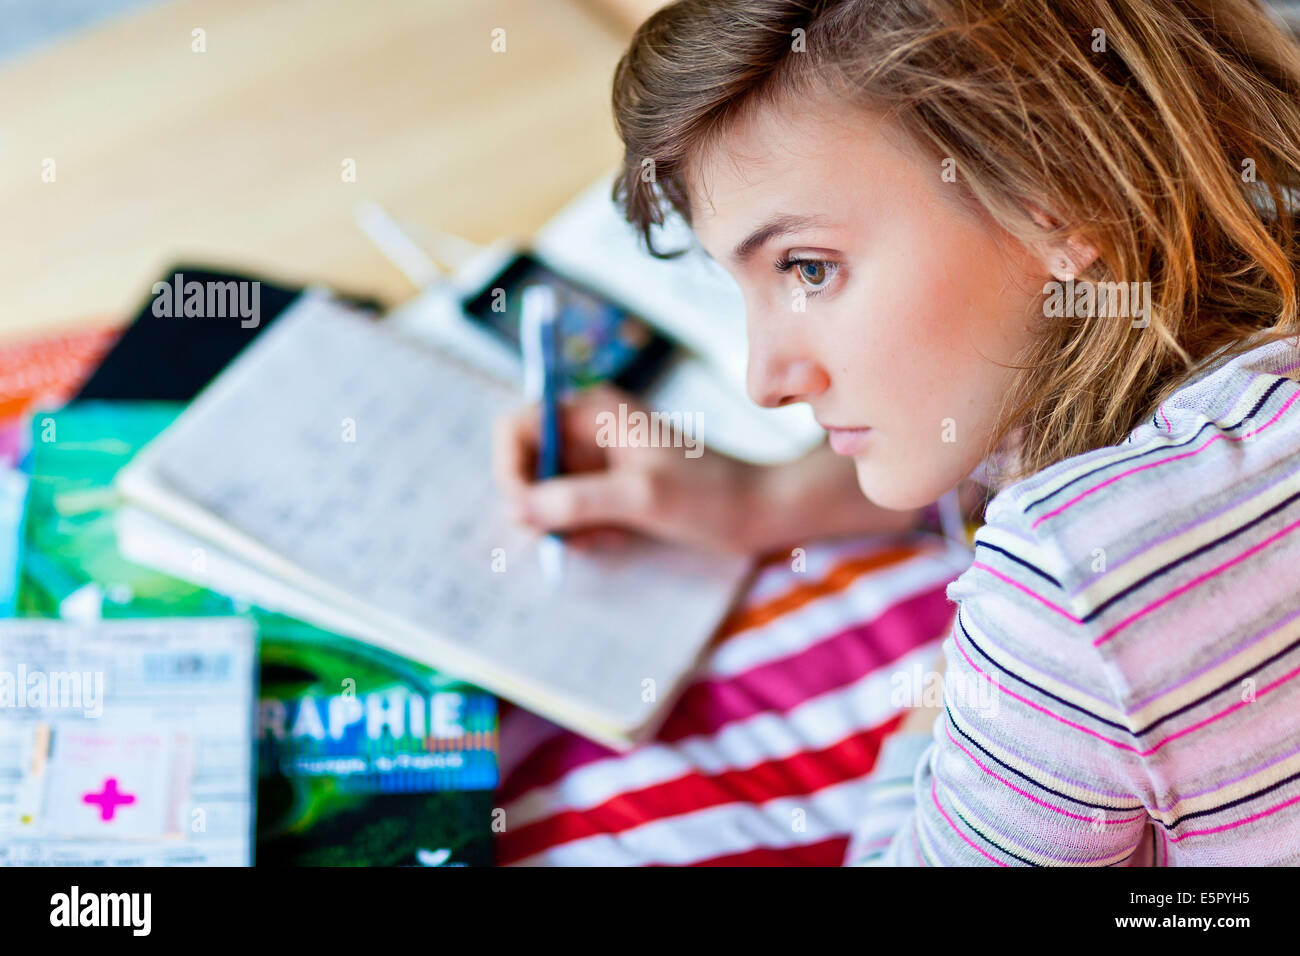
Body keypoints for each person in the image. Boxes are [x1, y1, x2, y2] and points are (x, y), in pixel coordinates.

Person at [495, 0, 1300, 865]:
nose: (765, 381)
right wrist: (762, 497)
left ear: (1060, 196)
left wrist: (940, 708)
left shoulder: (1069, 587)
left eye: (809, 268)